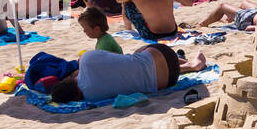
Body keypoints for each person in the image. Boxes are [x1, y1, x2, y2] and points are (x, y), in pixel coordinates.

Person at [49, 43, 207, 104]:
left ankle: (190, 65)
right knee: (136, 55)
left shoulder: (91, 97)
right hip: (163, 54)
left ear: (75, 97)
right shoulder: (86, 59)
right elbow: (121, 59)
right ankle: (187, 63)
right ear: (70, 78)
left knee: (139, 67)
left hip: (166, 81)